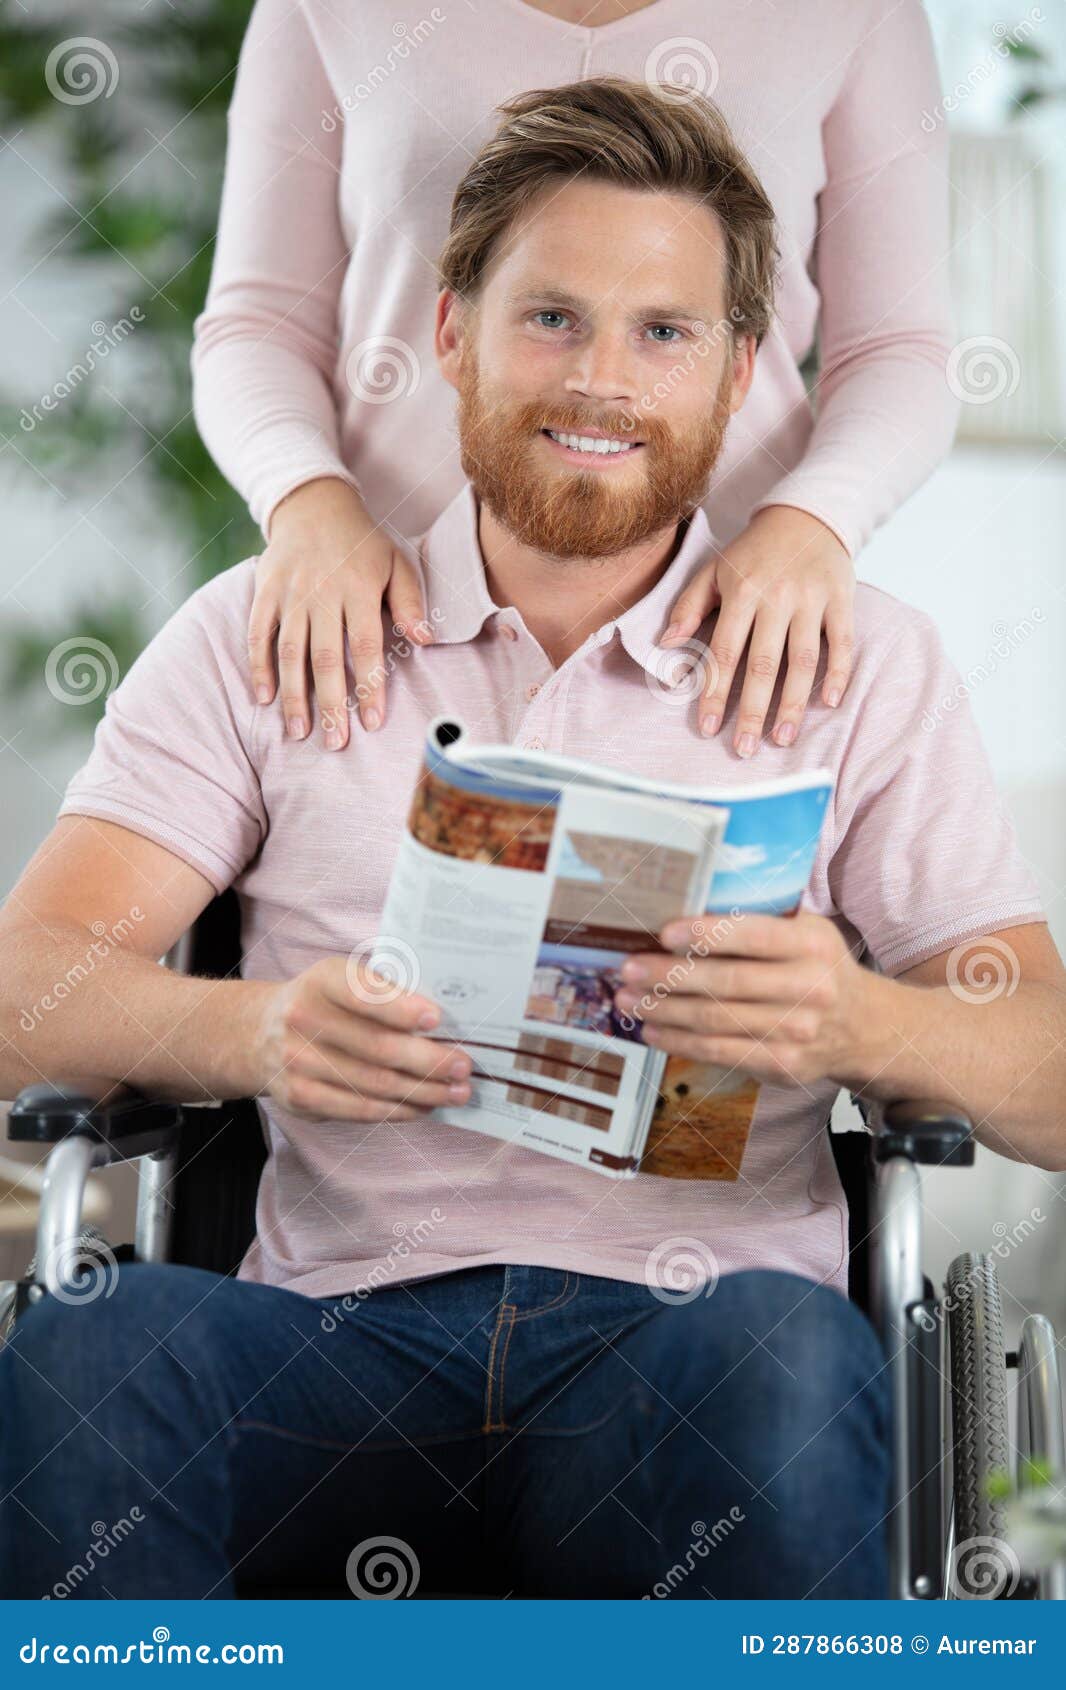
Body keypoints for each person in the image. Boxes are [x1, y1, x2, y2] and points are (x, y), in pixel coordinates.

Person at [0, 79, 1057, 1602]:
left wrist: (865, 1018)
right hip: (332, 1339)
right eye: (550, 318)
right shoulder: (265, 634)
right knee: (91, 1343)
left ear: (740, 368)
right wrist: (257, 1030)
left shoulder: (861, 666)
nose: (601, 381)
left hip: (688, 1346)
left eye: (663, 331)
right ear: (451, 335)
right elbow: (30, 978)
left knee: (777, 1357)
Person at [191, 0, 960, 753]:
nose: (600, 380)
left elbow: (899, 346)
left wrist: (814, 519)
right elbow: (260, 323)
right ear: (449, 330)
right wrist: (307, 502)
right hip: (385, 613)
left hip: (721, 626)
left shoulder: (855, 12)